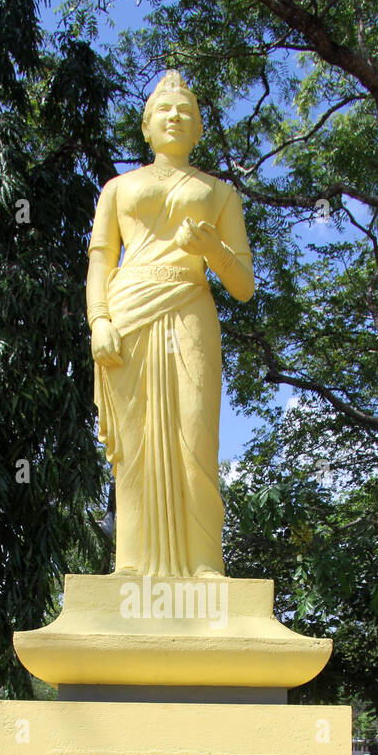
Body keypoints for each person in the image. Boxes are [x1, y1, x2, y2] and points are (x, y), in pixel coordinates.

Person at [86, 71, 254, 578]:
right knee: (134, 447)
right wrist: (98, 320)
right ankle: (132, 565)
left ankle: (205, 564)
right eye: (163, 109)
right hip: (129, 309)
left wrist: (211, 250)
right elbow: (99, 261)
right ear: (146, 126)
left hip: (190, 307)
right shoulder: (117, 189)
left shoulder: (220, 193)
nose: (174, 115)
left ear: (199, 128)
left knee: (196, 438)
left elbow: (243, 284)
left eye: (185, 110)